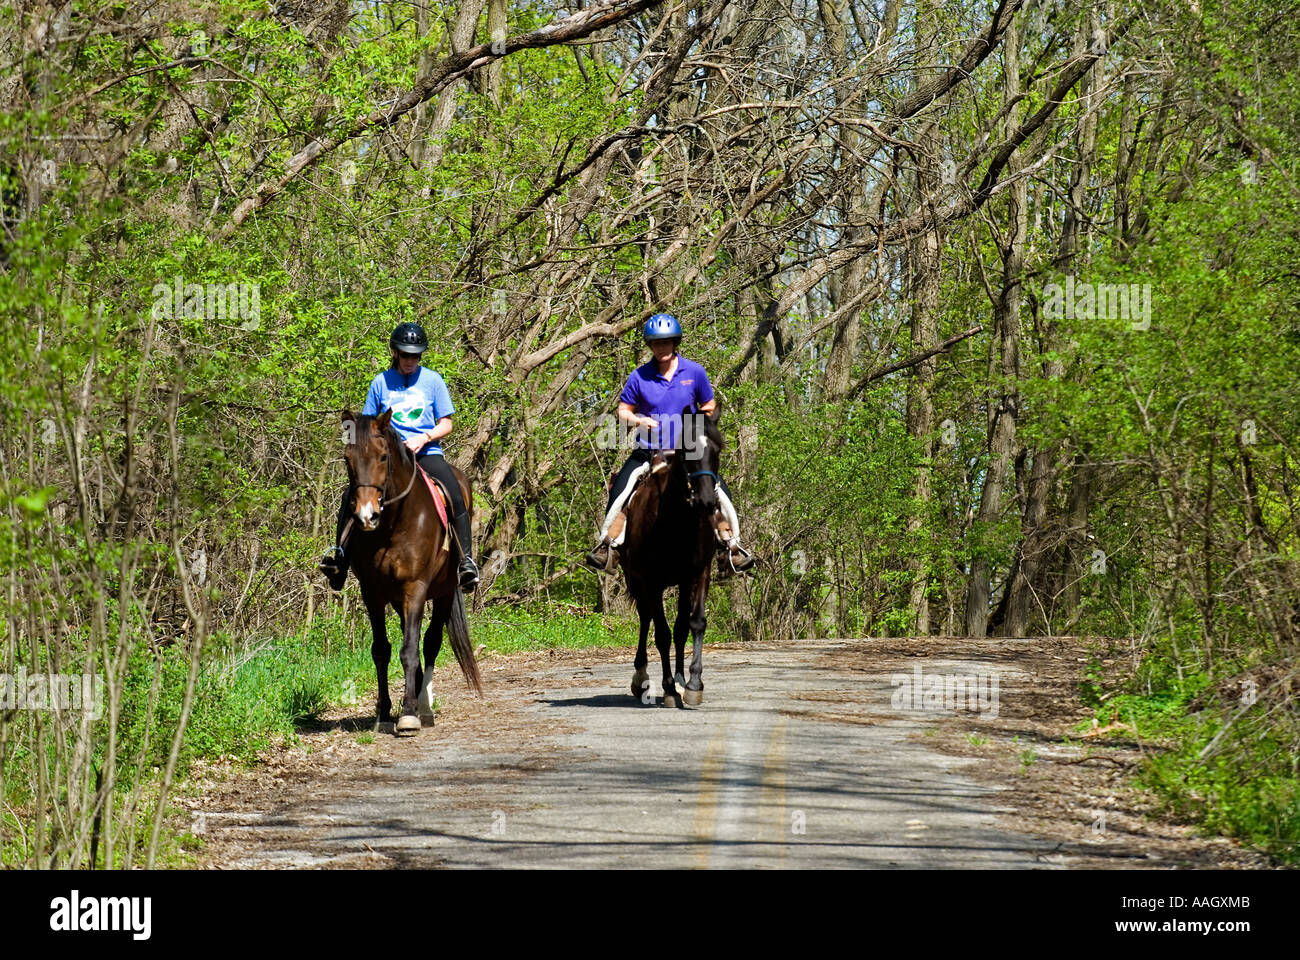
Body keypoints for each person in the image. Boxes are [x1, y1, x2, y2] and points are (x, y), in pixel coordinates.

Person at [584, 313, 755, 574]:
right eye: (656, 343)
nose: (661, 348)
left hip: (689, 452)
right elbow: (622, 411)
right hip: (649, 451)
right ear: (650, 346)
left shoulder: (695, 372)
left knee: (719, 491)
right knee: (621, 491)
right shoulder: (639, 376)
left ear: (675, 343)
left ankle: (731, 549)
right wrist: (638, 420)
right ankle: (607, 546)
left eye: (666, 343)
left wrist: (698, 424)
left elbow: (709, 406)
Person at [319, 321, 480, 590]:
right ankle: (340, 558)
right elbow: (366, 425)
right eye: (405, 355)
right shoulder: (381, 382)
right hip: (387, 459)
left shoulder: (433, 381)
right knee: (352, 494)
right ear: (396, 353)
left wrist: (424, 437)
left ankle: (466, 562)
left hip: (426, 452)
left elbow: (447, 423)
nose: (410, 360)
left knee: (454, 491)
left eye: (415, 355)